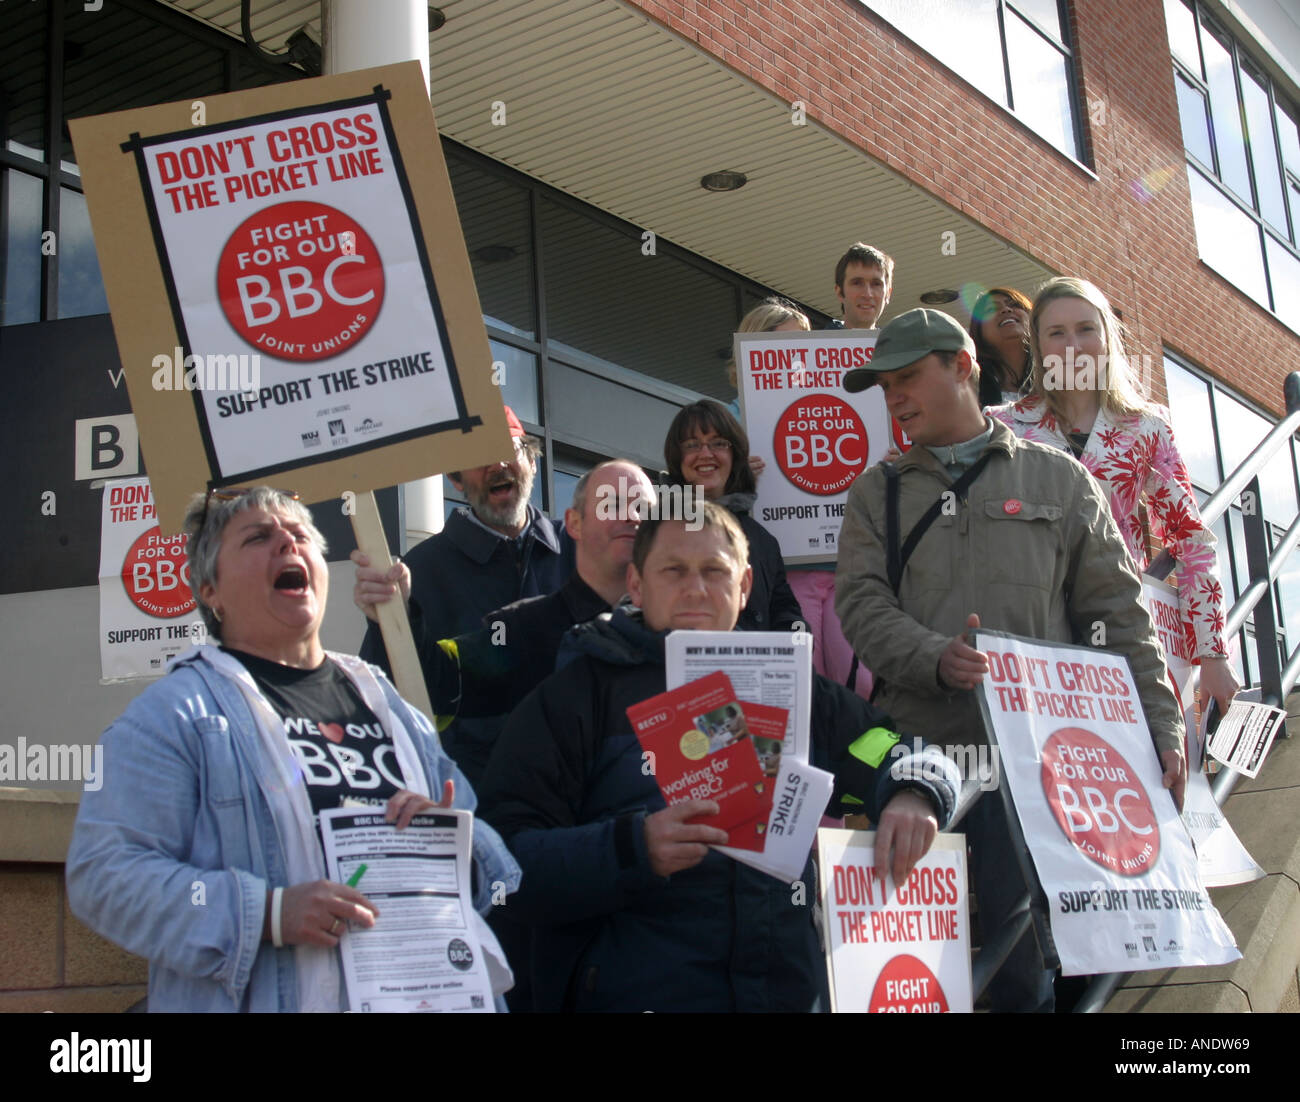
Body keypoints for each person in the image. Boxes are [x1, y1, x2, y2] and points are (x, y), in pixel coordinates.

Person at [835, 309, 1186, 1012]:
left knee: (1022, 973)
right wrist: (936, 657)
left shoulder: (1060, 480)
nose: (894, 398)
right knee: (914, 979)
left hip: (1042, 770)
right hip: (921, 760)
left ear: (962, 367)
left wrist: (1163, 732)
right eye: (883, 387)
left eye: (907, 379)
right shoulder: (879, 491)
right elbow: (860, 608)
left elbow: (1121, 618)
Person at [477, 504, 960, 1012]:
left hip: (782, 993)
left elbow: (896, 750)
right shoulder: (576, 694)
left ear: (746, 585)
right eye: (674, 570)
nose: (696, 589)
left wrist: (915, 790)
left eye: (715, 571)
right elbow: (501, 861)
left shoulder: (794, 686)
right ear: (636, 585)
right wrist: (631, 848)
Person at [66, 487, 518, 1012]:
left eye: (301, 534)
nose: (288, 542)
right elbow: (104, 875)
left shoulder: (386, 703)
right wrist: (268, 914)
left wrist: (450, 839)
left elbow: (486, 860)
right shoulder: (175, 715)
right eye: (258, 537)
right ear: (209, 589)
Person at [989, 277, 1239, 717]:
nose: (1073, 345)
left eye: (1086, 329)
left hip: (1124, 624)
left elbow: (1191, 543)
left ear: (1108, 337)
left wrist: (1213, 653)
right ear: (1039, 345)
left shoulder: (1147, 426)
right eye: (1056, 332)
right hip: (1032, 630)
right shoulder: (1002, 426)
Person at [354, 406, 572, 787]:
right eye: (477, 457)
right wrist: (388, 619)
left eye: (510, 448)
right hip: (478, 799)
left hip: (579, 791)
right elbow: (388, 692)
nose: (497, 464)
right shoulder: (421, 570)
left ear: (533, 463)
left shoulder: (579, 551)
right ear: (456, 480)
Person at [663, 399, 803, 631]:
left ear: (735, 454)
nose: (705, 454)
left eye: (718, 443)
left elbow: (786, 613)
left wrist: (798, 640)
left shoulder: (763, 541)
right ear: (677, 457)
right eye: (692, 445)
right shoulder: (655, 530)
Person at [969, 286, 1033, 408]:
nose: (1006, 310)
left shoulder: (1059, 376)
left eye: (1015, 305)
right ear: (978, 331)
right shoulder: (969, 388)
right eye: (991, 309)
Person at [827, 242, 894, 331]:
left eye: (876, 284)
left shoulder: (898, 344)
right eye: (857, 283)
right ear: (839, 293)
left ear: (888, 294)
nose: (868, 294)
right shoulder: (810, 344)